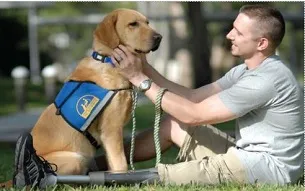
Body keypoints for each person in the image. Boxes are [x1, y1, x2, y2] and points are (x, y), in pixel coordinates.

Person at [13, 4, 303, 188]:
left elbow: (195, 113)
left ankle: (69, 177)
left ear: (262, 42)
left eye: (238, 32)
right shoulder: (247, 70)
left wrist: (138, 79)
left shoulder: (268, 79)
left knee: (163, 175)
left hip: (267, 169)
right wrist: (146, 69)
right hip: (247, 152)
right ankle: (86, 169)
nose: (229, 35)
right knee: (173, 126)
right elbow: (193, 96)